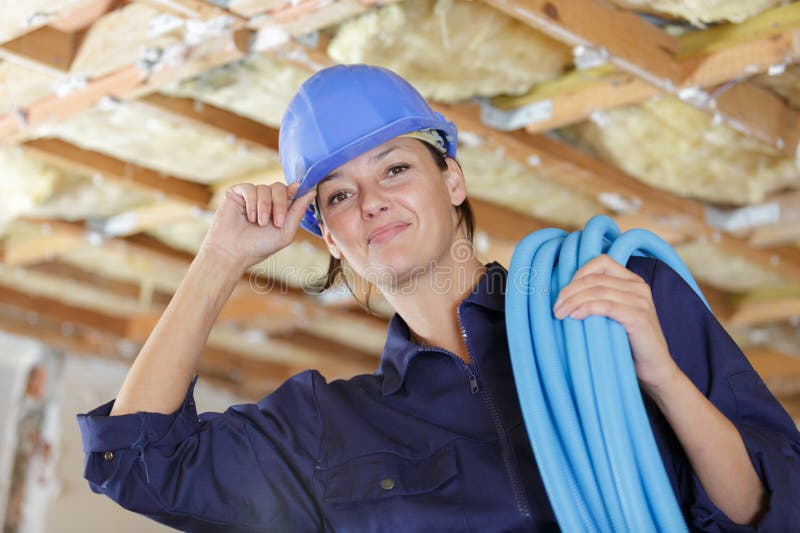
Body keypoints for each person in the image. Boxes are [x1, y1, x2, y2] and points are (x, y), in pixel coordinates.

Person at [77, 64, 800, 532]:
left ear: (452, 180)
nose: (372, 203)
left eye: (395, 168)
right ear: (329, 235)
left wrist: (661, 377)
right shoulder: (327, 430)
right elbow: (141, 463)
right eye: (339, 195)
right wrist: (218, 260)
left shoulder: (614, 296)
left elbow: (771, 507)